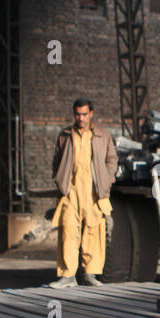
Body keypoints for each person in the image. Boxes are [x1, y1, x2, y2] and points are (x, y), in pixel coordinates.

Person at [50, 98, 118, 288]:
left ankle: (90, 274)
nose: (80, 118)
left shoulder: (102, 136)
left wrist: (107, 180)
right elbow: (56, 160)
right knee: (68, 232)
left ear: (91, 114)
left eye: (84, 114)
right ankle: (67, 276)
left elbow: (112, 160)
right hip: (71, 193)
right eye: (77, 114)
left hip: (94, 193)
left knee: (93, 233)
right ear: (74, 114)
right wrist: (60, 180)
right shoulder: (65, 135)